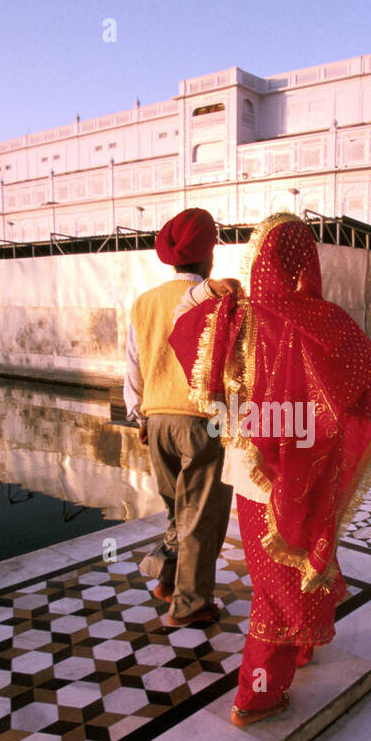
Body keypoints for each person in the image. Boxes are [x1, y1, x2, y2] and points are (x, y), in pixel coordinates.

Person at [169, 213, 371, 726]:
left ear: (256, 260)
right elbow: (370, 385)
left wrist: (208, 295)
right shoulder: (327, 322)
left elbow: (183, 335)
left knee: (274, 573)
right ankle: (256, 696)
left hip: (252, 473)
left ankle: (297, 647)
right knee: (286, 574)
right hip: (308, 469)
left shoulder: (235, 314)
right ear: (305, 262)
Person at [123, 207, 233, 624]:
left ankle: (166, 581)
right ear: (209, 254)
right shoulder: (216, 299)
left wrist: (140, 419)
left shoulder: (144, 302)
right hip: (201, 420)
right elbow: (231, 367)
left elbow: (132, 365)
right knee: (201, 516)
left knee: (176, 510)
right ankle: (190, 605)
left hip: (157, 420)